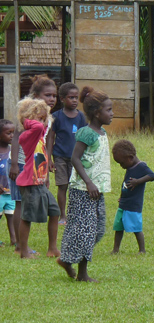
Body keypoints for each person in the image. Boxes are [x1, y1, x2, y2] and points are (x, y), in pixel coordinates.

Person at [58, 87, 113, 282]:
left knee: (97, 230)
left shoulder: (102, 132)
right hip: (83, 190)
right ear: (97, 113)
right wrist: (88, 183)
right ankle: (82, 274)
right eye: (108, 110)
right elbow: (75, 158)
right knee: (86, 231)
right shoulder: (86, 133)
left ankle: (66, 259)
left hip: (96, 191)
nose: (112, 113)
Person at [10, 75, 57, 256]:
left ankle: (50, 248)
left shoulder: (47, 119)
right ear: (36, 96)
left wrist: (48, 164)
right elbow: (15, 138)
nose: (52, 99)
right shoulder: (28, 118)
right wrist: (14, 163)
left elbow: (47, 142)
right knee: (21, 205)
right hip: (22, 164)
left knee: (50, 209)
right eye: (47, 95)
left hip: (38, 168)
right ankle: (20, 246)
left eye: (54, 96)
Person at [46, 82, 85, 224]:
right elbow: (50, 138)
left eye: (76, 97)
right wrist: (49, 158)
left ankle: (74, 215)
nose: (74, 100)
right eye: (71, 97)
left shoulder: (81, 117)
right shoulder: (56, 117)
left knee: (76, 188)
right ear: (62, 99)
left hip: (77, 159)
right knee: (62, 186)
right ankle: (62, 216)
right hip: (60, 157)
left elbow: (84, 137)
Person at [111, 139, 154, 255]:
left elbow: (152, 176)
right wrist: (122, 196)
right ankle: (115, 249)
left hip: (133, 204)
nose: (121, 166)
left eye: (121, 163)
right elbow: (125, 183)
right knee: (118, 227)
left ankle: (142, 250)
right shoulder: (129, 167)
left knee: (136, 227)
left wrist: (138, 181)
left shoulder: (141, 166)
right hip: (124, 203)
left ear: (130, 158)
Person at [0, 119, 17, 248]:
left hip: (11, 191)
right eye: (8, 133)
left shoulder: (13, 151)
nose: (12, 136)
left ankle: (14, 238)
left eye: (13, 132)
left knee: (11, 215)